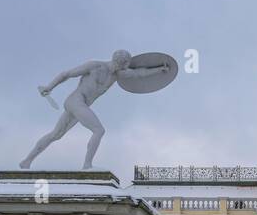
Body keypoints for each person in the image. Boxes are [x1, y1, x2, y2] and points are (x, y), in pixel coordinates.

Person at [20, 50, 174, 170]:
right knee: (99, 130)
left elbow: (140, 73)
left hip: (82, 105)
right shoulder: (94, 66)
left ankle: (26, 161)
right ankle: (87, 165)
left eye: (125, 67)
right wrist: (49, 87)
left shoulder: (117, 74)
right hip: (75, 101)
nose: (123, 69)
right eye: (123, 65)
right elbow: (66, 74)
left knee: (56, 135)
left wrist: (160, 69)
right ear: (118, 62)